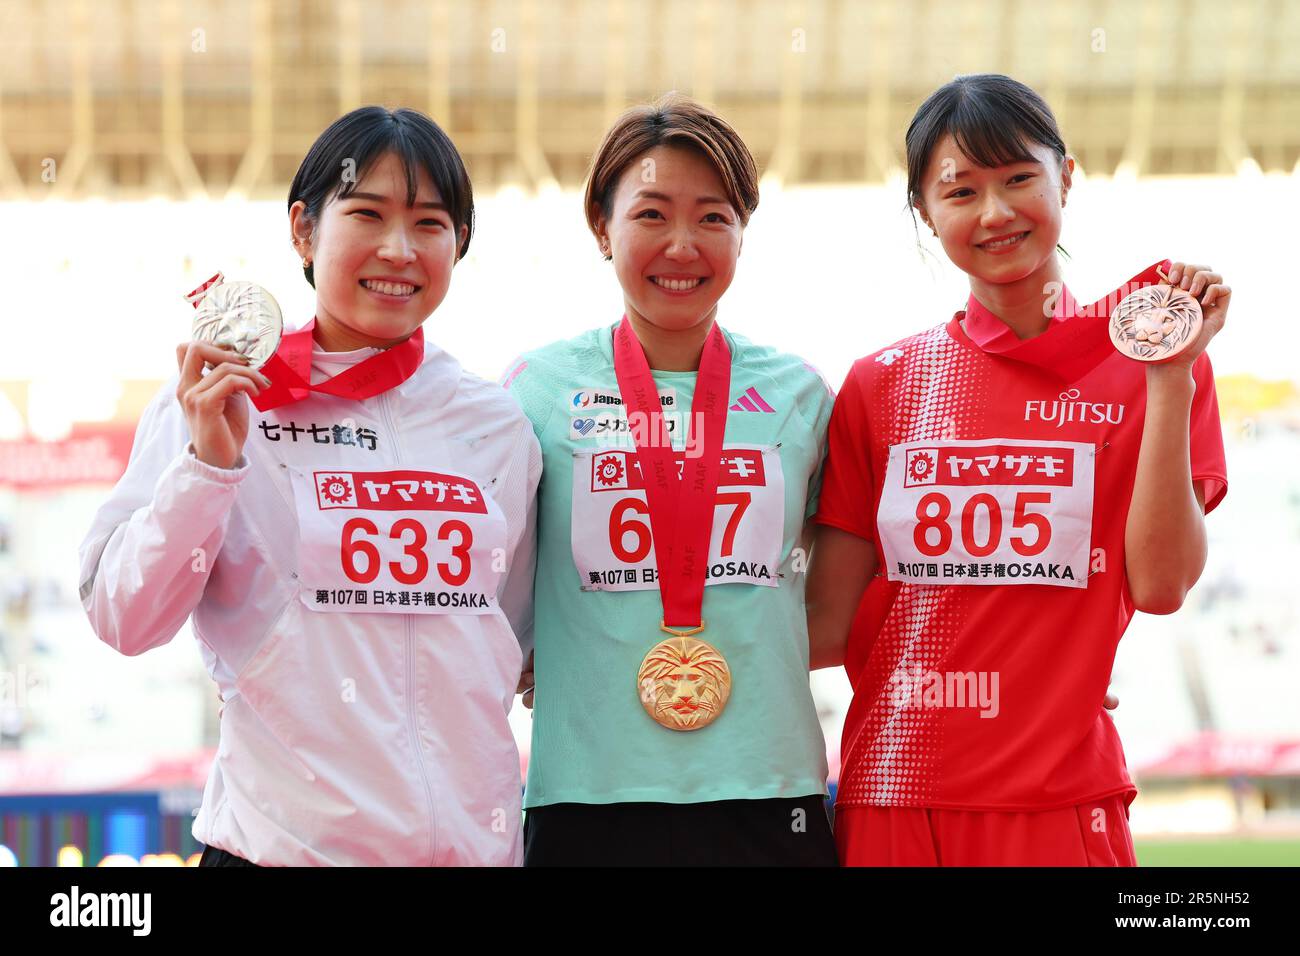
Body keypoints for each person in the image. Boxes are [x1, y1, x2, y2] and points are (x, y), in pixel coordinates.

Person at [77, 106, 540, 866]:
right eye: (368, 214)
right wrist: (207, 468)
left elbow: (509, 634)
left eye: (431, 224)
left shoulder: (493, 423)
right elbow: (123, 616)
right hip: (282, 851)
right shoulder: (219, 395)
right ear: (303, 230)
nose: (399, 249)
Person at [806, 73, 1230, 866]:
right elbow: (823, 624)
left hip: (1059, 799)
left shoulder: (1149, 362)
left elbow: (1162, 586)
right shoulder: (881, 383)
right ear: (926, 215)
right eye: (960, 191)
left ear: (1066, 177)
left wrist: (1170, 376)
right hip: (898, 791)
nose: (995, 213)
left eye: (1019, 179)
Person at [503, 94, 838, 865]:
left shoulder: (801, 395)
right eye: (651, 215)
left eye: (713, 217)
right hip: (588, 799)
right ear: (602, 227)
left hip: (769, 795)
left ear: (742, 234)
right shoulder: (534, 388)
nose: (682, 245)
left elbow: (855, 584)